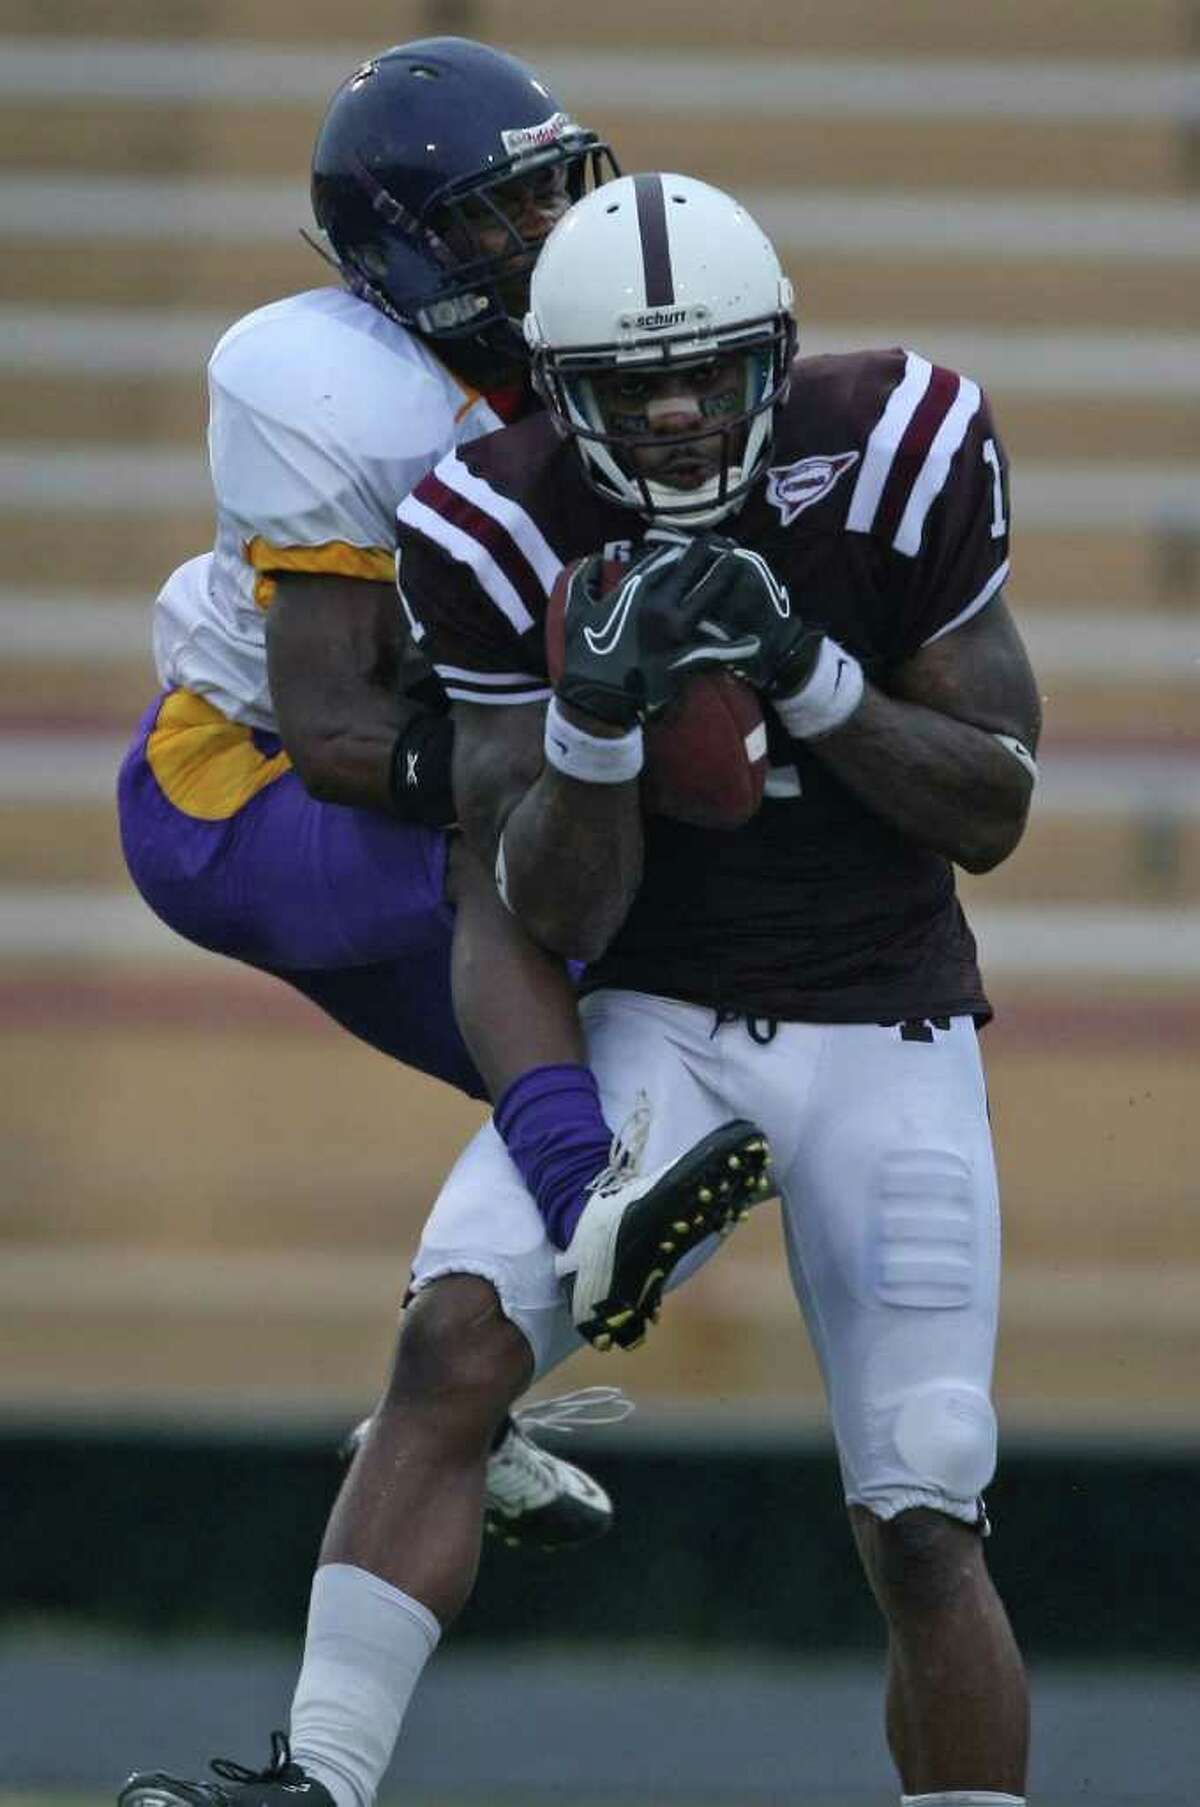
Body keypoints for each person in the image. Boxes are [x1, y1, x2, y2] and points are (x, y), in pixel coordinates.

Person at [120, 173, 1040, 1807]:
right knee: (448, 1351)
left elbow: (993, 807)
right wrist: (595, 726)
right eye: (633, 387)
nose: (680, 417)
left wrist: (807, 675)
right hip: (655, 1016)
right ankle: (315, 1783)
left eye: (713, 374)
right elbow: (533, 898)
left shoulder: (895, 450)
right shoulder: (497, 521)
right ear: (562, 390)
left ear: (780, 358)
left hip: (887, 1021)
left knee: (925, 1506)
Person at [114, 34, 688, 1556]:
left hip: (373, 785)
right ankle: (575, 1202)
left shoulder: (567, 359)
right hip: (235, 796)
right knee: (530, 889)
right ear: (403, 250)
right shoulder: (334, 382)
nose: (548, 236)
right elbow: (334, 733)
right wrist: (562, 759)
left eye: (558, 191)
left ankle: (453, 1403)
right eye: (501, 217)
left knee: (679, 1085)